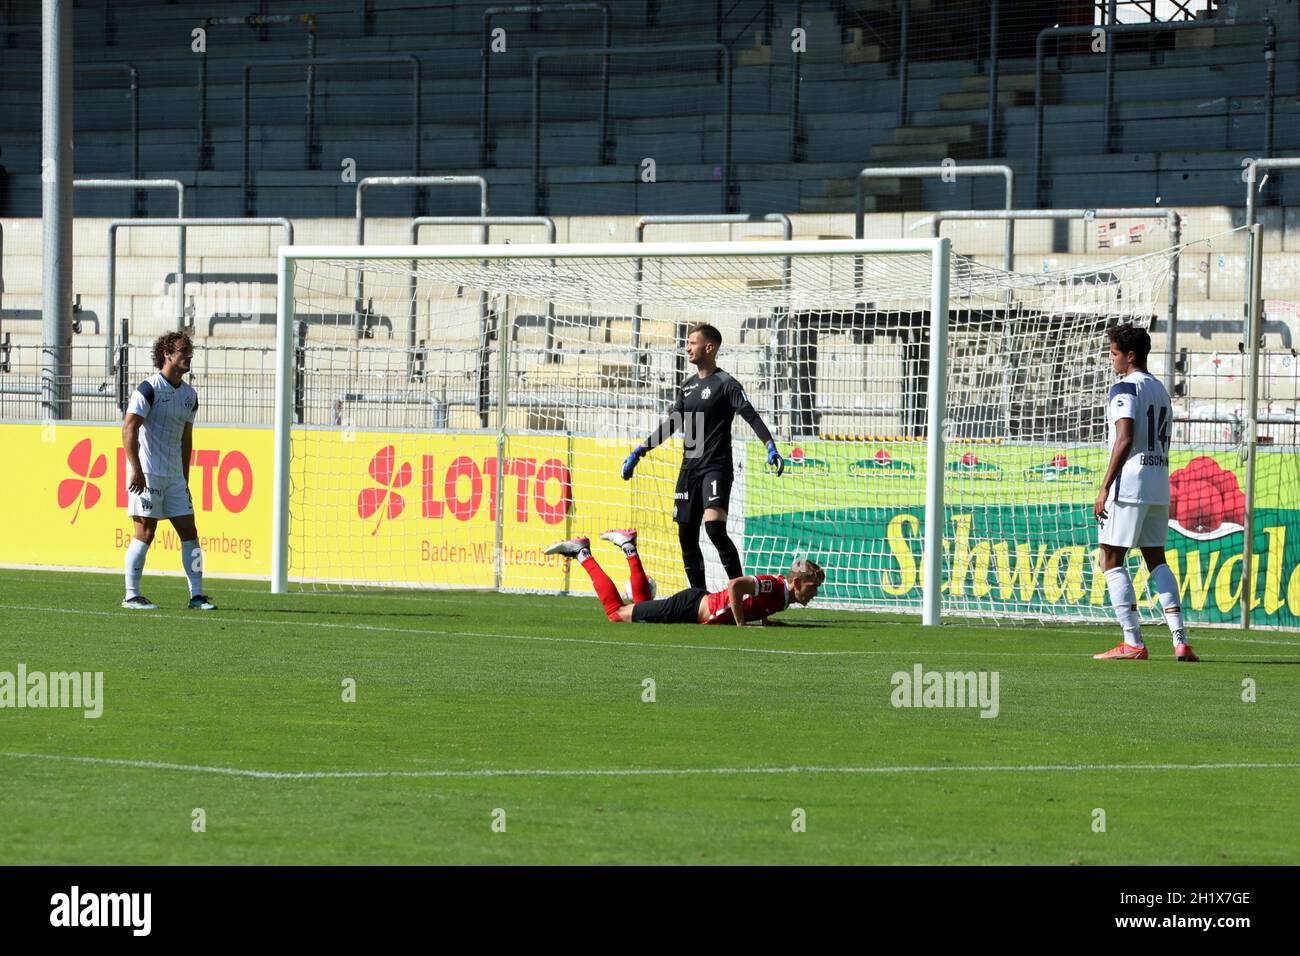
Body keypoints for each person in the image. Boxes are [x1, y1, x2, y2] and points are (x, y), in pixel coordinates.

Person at [620, 322, 784, 590]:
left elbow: (750, 415)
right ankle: (700, 598)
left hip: (715, 467)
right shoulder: (688, 387)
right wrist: (641, 450)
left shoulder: (725, 383)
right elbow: (672, 424)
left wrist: (769, 445)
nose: (687, 348)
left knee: (715, 529)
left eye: (692, 343)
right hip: (690, 467)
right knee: (686, 535)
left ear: (709, 347)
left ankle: (741, 596)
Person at [1092, 325, 1195, 661]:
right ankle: (1179, 639)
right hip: (1157, 483)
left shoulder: (1124, 387)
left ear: (1130, 355)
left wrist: (1106, 485)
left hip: (1130, 484)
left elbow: (1124, 437)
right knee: (1155, 558)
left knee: (1111, 557)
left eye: (1113, 352)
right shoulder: (1161, 391)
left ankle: (1133, 641)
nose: (1111, 358)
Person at [120, 332, 216, 611]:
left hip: (174, 477)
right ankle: (131, 595)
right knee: (145, 532)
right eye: (184, 351)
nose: (190, 355)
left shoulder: (189, 396)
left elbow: (186, 438)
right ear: (168, 354)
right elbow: (129, 427)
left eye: (190, 350)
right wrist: (135, 469)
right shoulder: (148, 389)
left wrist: (184, 477)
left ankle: (196, 596)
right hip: (148, 473)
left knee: (190, 532)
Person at [545, 530, 823, 625]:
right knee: (616, 614)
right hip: (692, 607)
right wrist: (741, 624)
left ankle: (629, 547)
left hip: (694, 605)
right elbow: (736, 585)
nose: (815, 593)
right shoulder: (774, 586)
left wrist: (763, 619)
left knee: (639, 615)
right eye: (813, 587)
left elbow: (757, 602)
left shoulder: (782, 596)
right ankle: (583, 553)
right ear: (797, 582)